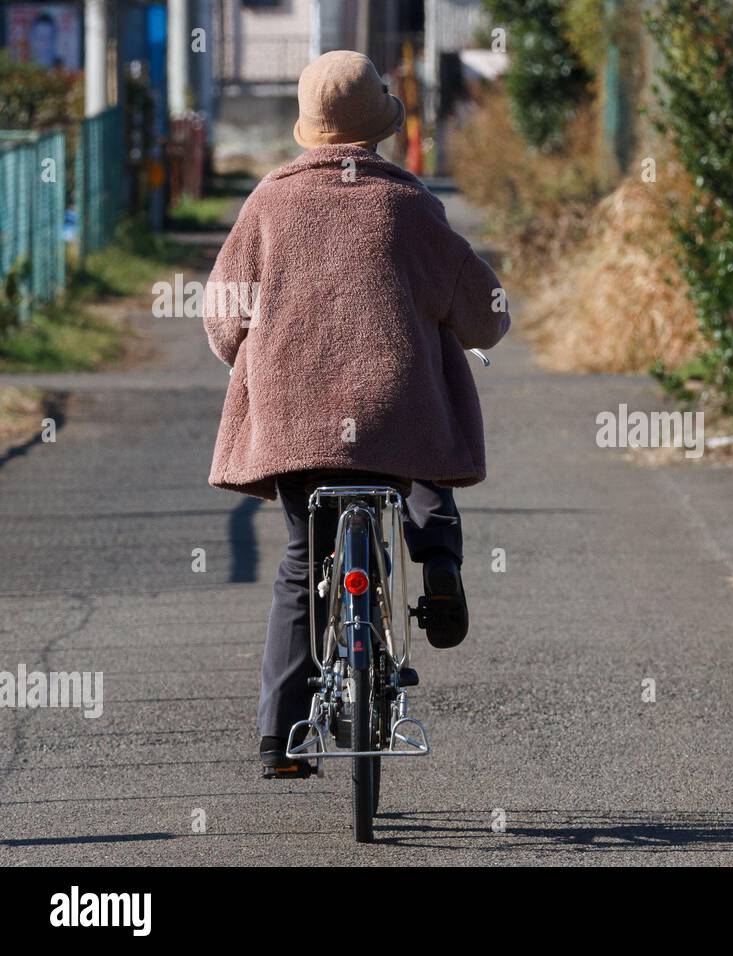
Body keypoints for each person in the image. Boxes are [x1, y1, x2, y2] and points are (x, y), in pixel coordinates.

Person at [202, 51, 510, 778]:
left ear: (308, 128)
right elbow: (483, 312)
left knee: (301, 564)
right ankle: (436, 557)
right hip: (394, 419)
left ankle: (280, 739)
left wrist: (250, 351)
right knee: (425, 443)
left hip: (294, 427)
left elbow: (221, 319)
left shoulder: (268, 206)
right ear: (378, 128)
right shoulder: (409, 205)